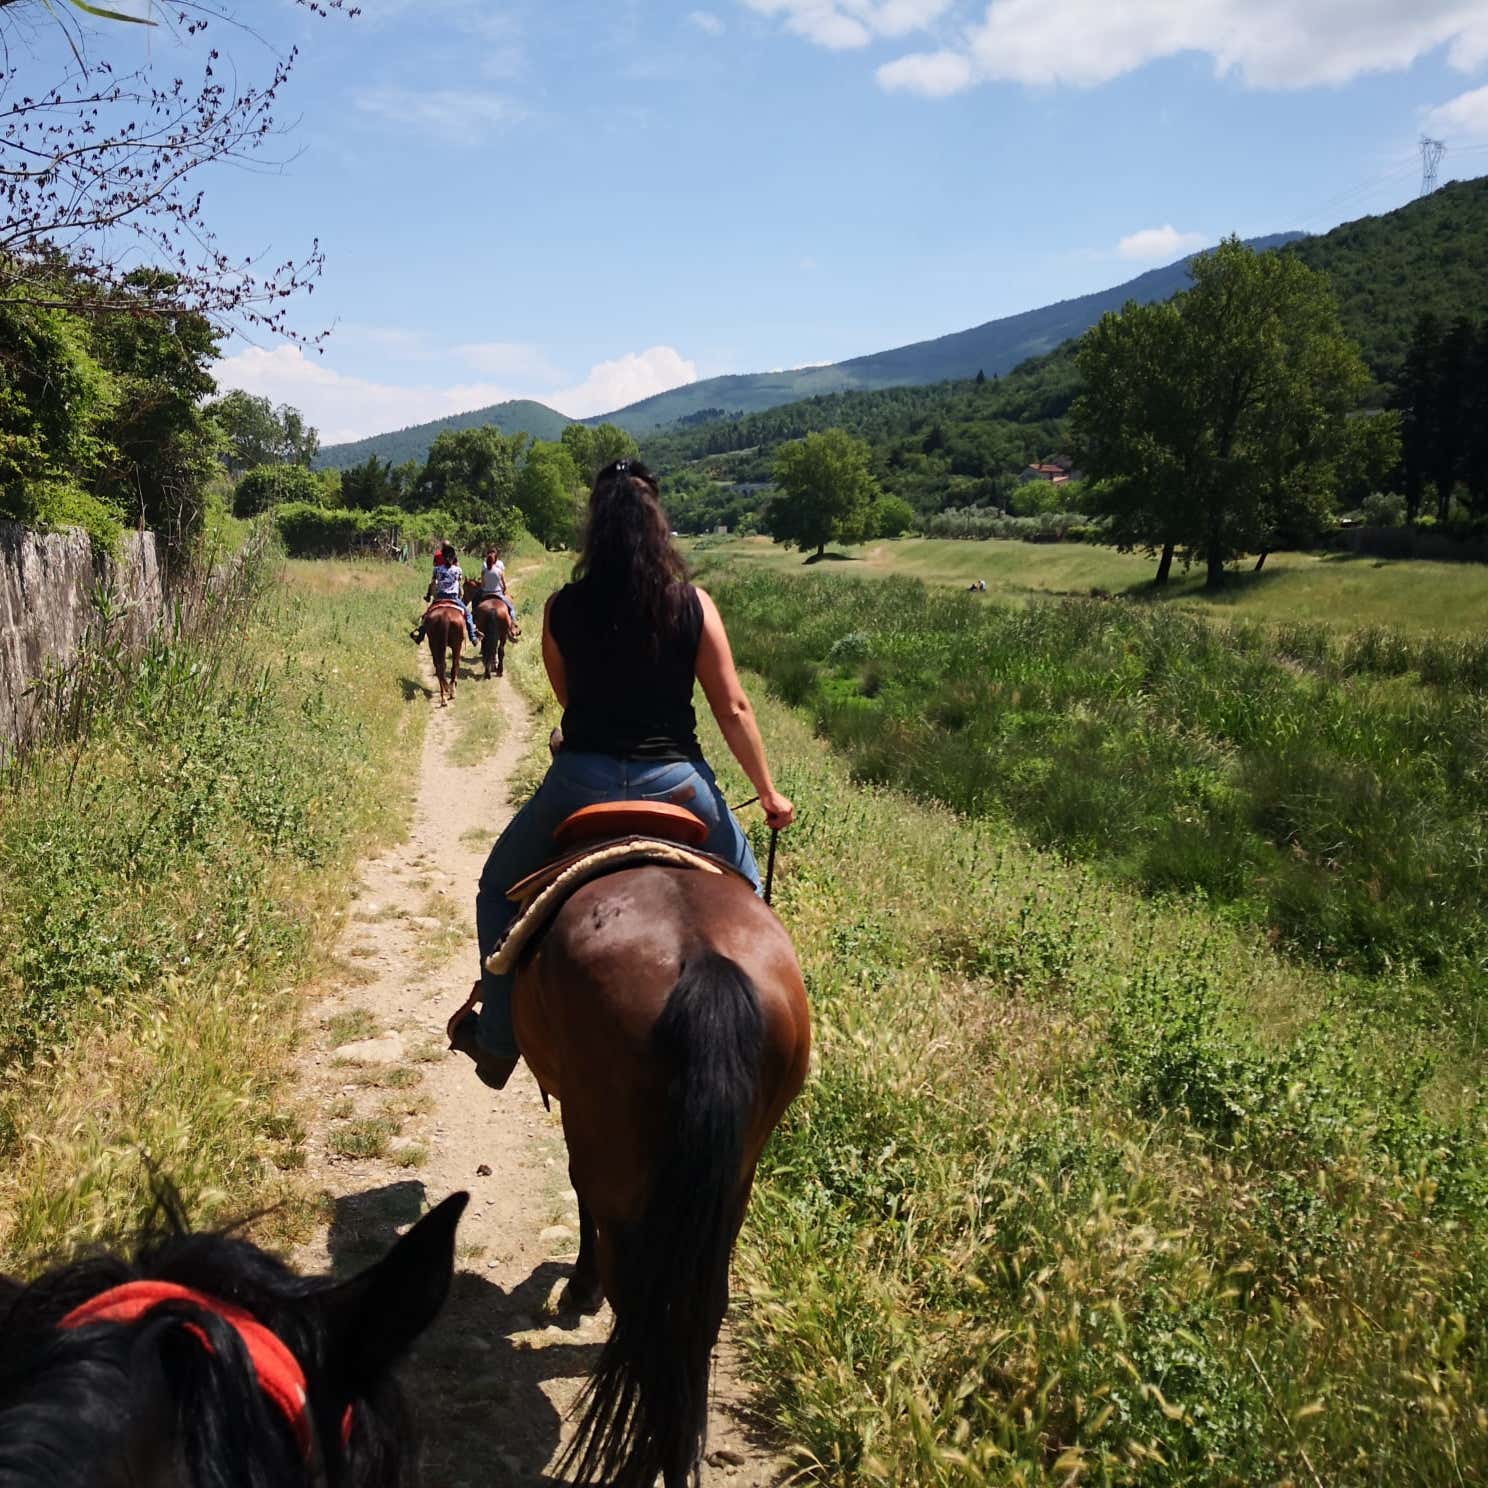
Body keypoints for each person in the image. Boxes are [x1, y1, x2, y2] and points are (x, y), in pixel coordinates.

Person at [451, 458, 795, 1091]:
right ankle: (778, 1043)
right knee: (749, 896)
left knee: (498, 888)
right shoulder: (693, 604)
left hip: (580, 781)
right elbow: (734, 707)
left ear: (595, 526)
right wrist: (768, 794)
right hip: (681, 784)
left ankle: (498, 1041)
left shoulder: (562, 608)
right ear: (657, 523)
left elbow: (568, 701)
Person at [411, 543, 478, 646]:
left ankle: (420, 636)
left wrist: (430, 593)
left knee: (427, 616)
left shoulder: (437, 569)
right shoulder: (458, 570)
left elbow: (434, 582)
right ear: (453, 558)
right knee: (468, 615)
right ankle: (473, 637)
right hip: (454, 598)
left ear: (443, 557)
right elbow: (458, 582)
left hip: (440, 598)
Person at [479, 546, 521, 639]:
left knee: (475, 609)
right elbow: (504, 585)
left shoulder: (484, 571)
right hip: (498, 594)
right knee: (511, 608)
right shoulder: (499, 571)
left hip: (486, 594)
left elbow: (482, 585)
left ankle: (475, 627)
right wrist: (503, 588)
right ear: (495, 561)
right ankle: (512, 626)